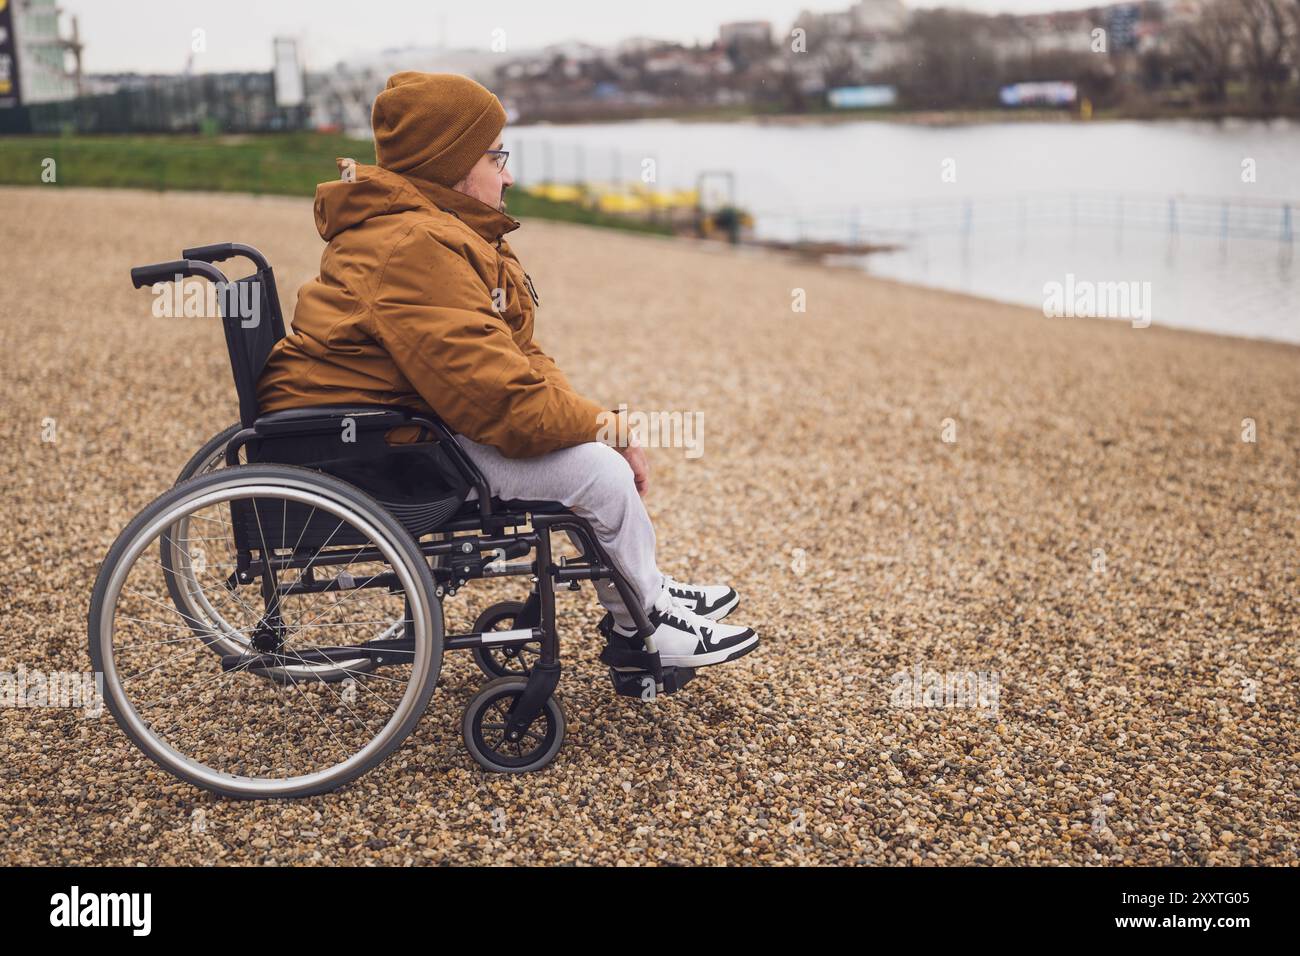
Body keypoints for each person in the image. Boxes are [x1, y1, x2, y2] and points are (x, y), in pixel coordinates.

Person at [258, 72, 758, 668]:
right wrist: (610, 431)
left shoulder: (437, 232)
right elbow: (502, 404)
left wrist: (593, 421)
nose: (510, 174)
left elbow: (517, 358)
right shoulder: (416, 247)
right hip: (377, 451)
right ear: (451, 165)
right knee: (596, 473)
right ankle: (642, 626)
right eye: (497, 156)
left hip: (394, 424)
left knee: (588, 453)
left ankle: (645, 596)